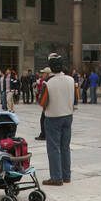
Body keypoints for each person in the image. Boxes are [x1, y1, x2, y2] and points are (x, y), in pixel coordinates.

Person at [36, 54, 77, 186]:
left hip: (53, 117)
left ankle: (56, 177)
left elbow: (43, 102)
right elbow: (76, 100)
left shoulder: (48, 83)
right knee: (65, 146)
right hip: (68, 116)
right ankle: (66, 175)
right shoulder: (71, 80)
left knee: (53, 148)